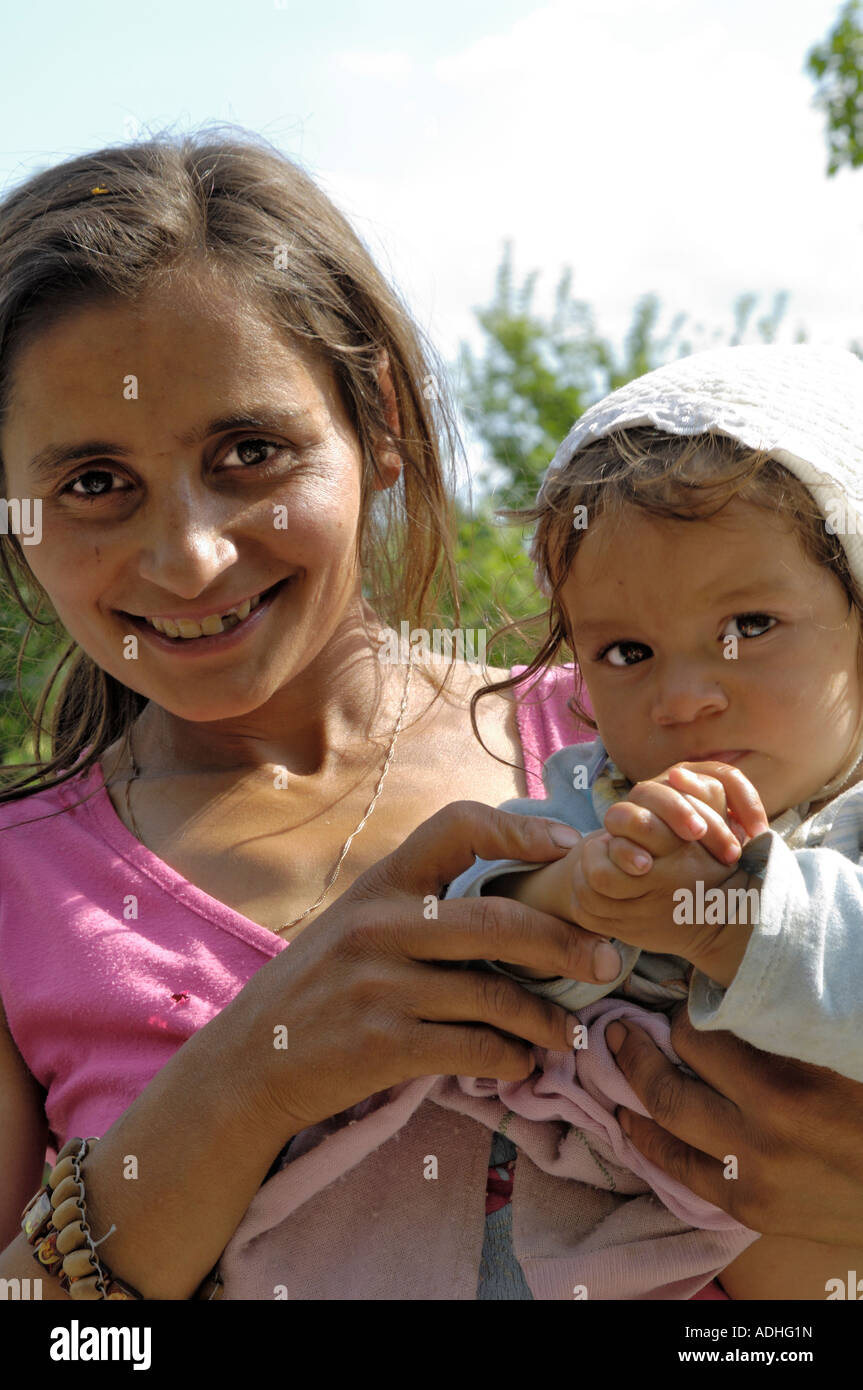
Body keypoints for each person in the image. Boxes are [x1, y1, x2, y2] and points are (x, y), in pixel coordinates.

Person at [0, 128, 859, 1302]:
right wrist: (252, 1072)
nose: (190, 556)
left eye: (250, 452)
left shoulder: (664, 732)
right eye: (91, 484)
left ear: (384, 431)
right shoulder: (20, 896)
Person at [444, 343, 863, 1297]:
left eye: (747, 628)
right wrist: (576, 890)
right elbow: (466, 927)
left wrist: (723, 921)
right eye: (627, 650)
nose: (681, 699)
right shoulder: (601, 800)